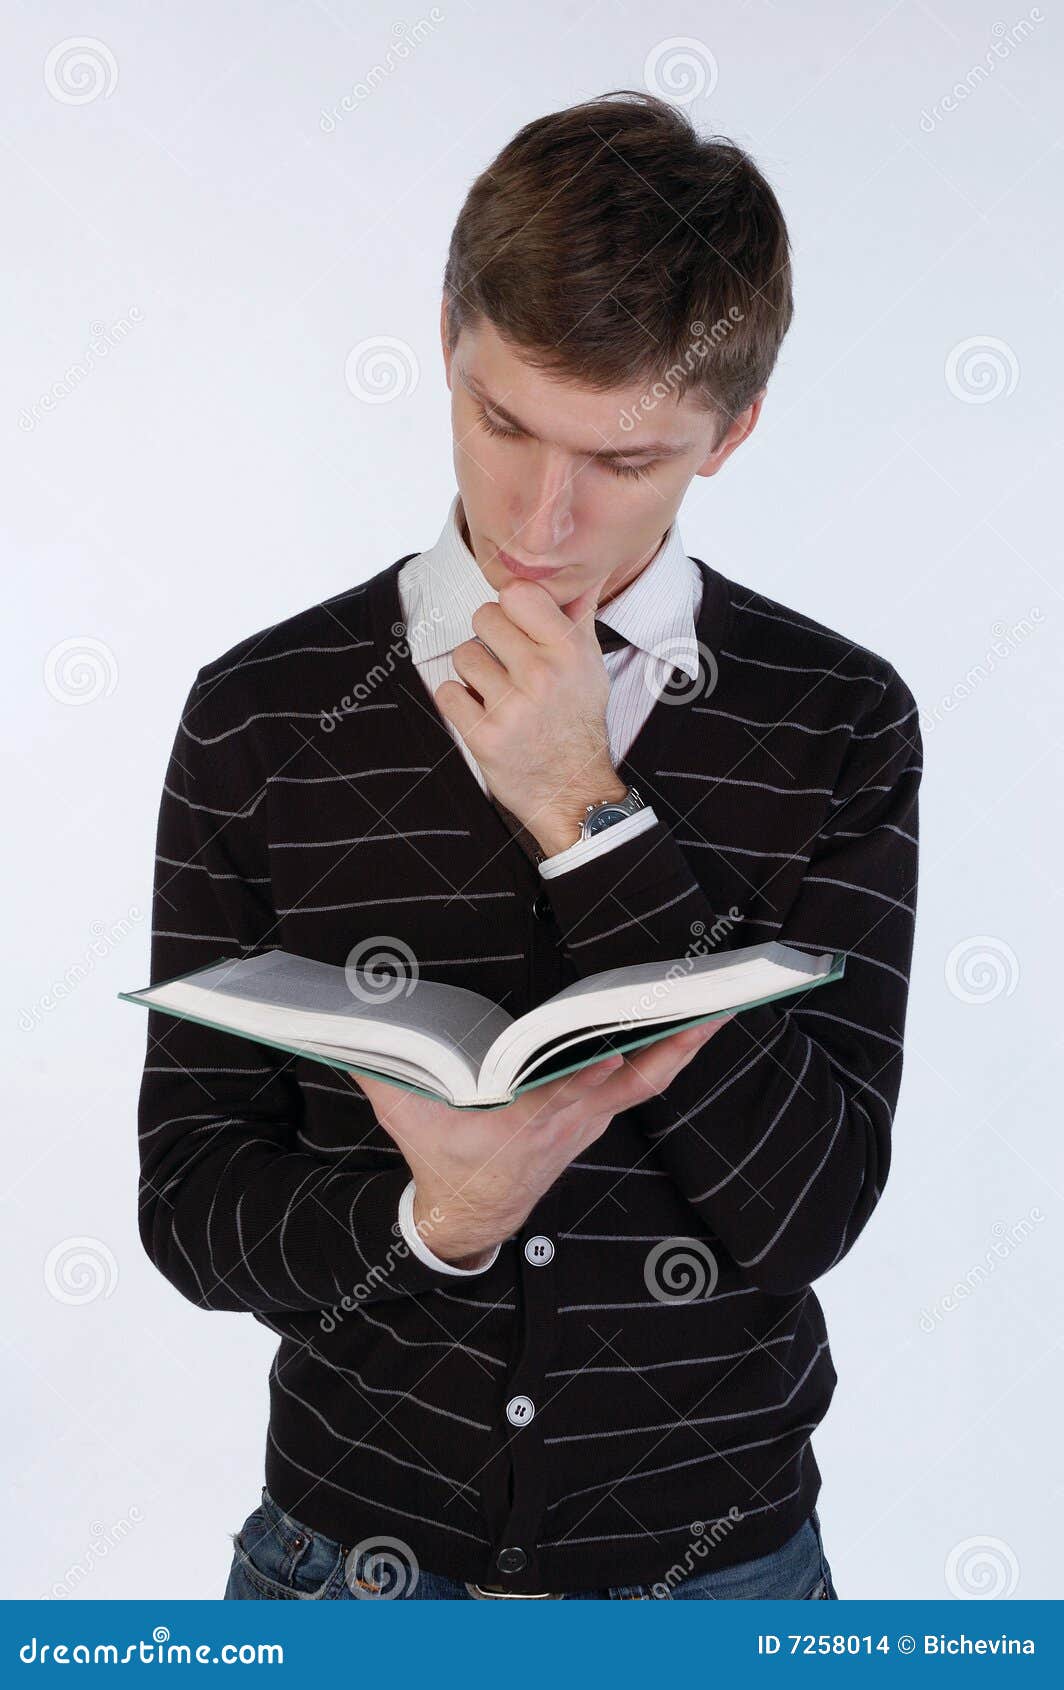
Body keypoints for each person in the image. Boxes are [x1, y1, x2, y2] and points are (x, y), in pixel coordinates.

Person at [138, 90, 920, 1600]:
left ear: (733, 429)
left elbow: (811, 1204)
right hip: (347, 1571)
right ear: (447, 336)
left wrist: (591, 818)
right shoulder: (264, 710)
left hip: (720, 1580)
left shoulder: (836, 717)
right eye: (503, 422)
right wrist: (430, 1222)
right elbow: (187, 1200)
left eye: (623, 459)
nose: (542, 517)